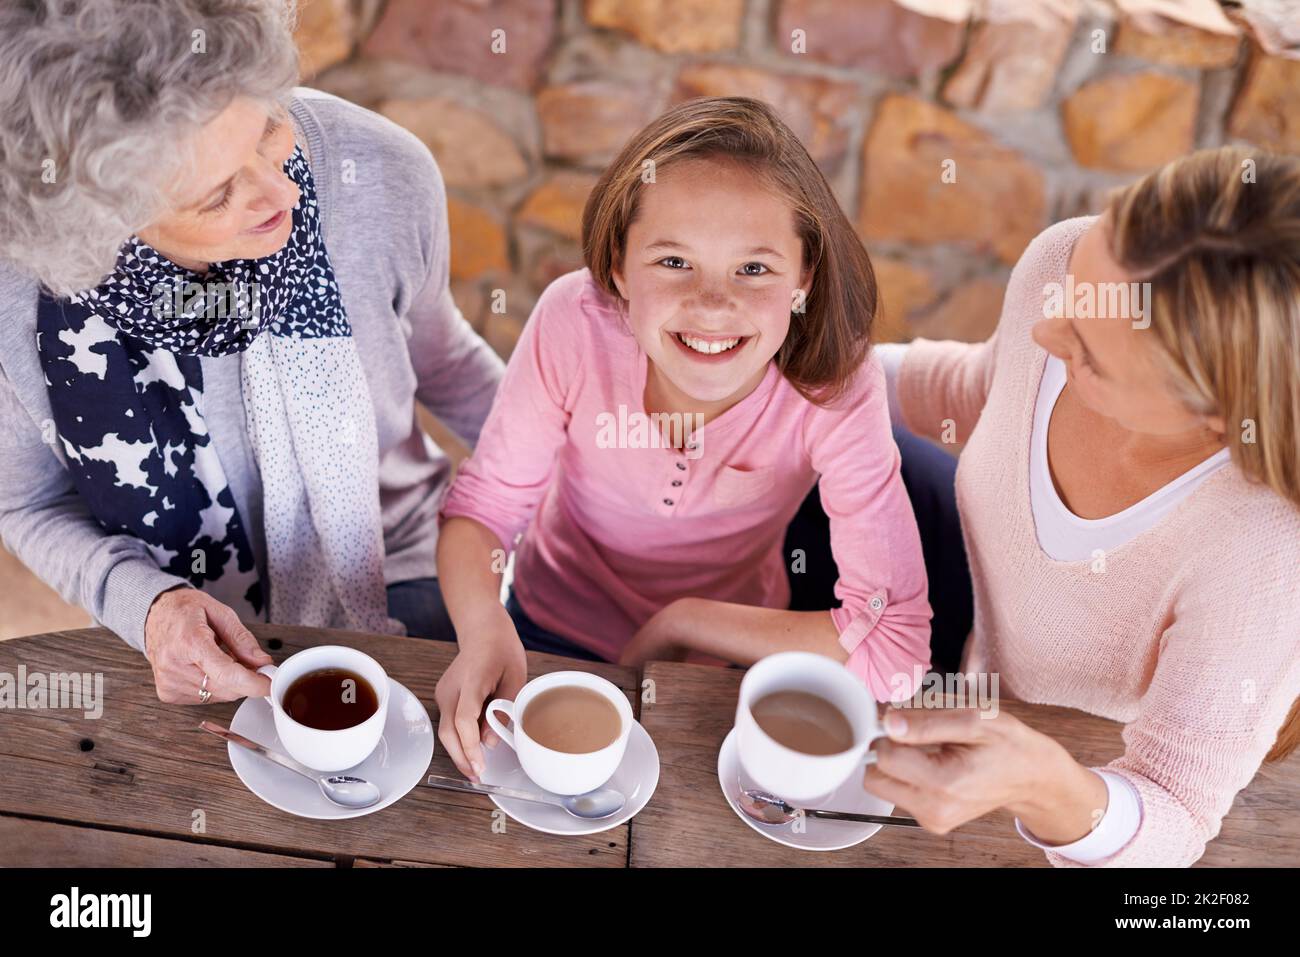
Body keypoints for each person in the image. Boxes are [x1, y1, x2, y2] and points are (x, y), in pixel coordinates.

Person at [0, 0, 502, 705]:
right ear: (101, 223)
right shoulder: (20, 291)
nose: (285, 188)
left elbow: (445, 362)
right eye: (216, 197)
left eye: (268, 126)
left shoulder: (384, 173)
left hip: (398, 565)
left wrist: (588, 477)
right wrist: (148, 607)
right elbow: (27, 505)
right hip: (184, 625)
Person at [434, 97, 933, 782]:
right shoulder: (572, 321)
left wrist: (684, 620)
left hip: (722, 666)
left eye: (754, 269)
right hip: (544, 632)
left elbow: (898, 649)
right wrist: (483, 625)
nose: (712, 304)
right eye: (673, 261)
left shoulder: (836, 382)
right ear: (618, 264)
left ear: (804, 277)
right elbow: (486, 510)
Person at [863, 146, 1300, 867]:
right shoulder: (1063, 260)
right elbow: (981, 388)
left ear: (1223, 416)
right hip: (958, 630)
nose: (1048, 332)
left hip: (1050, 762)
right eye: (1071, 292)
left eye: (1089, 358)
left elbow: (1176, 813)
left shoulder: (1266, 555)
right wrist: (789, 372)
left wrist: (1046, 785)